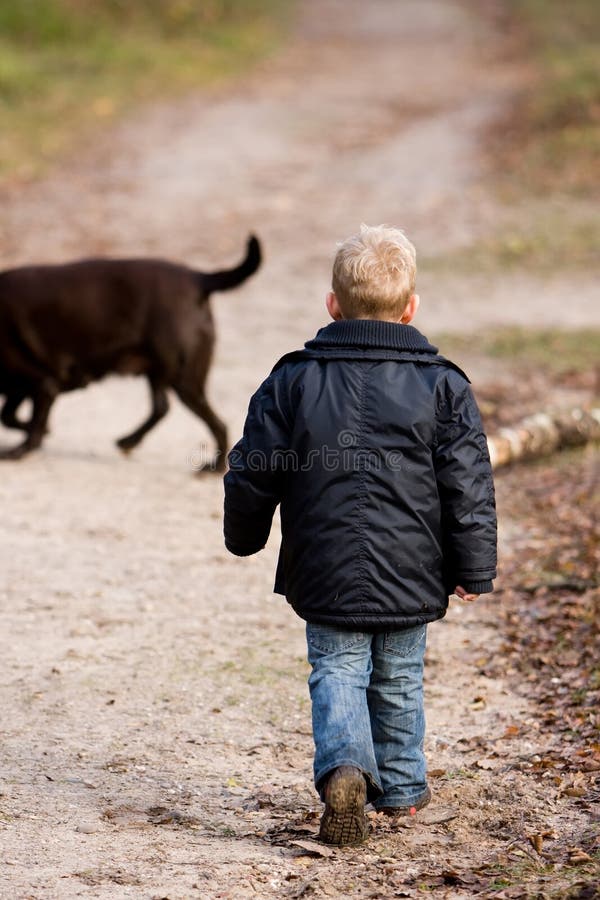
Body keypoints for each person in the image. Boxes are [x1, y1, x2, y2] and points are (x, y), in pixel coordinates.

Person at [223, 224, 497, 846]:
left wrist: (244, 535)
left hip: (324, 565)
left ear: (332, 304)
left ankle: (346, 769)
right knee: (400, 675)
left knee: (337, 668)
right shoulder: (444, 385)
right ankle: (400, 793)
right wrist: (473, 566)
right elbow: (468, 485)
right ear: (411, 308)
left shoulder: (293, 380)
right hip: (414, 567)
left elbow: (254, 467)